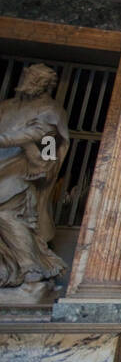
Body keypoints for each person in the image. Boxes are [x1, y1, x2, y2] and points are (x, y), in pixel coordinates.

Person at [0, 64, 69, 291]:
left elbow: (46, 139)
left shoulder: (49, 109)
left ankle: (30, 266)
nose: (29, 81)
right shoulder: (7, 107)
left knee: (7, 215)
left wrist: (43, 165)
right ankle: (10, 268)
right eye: (28, 76)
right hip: (2, 162)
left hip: (23, 169)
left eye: (35, 79)